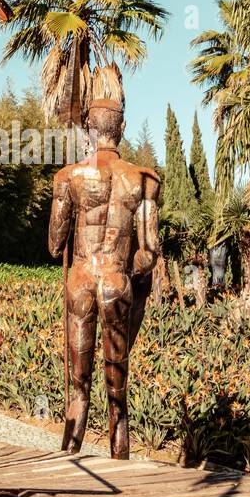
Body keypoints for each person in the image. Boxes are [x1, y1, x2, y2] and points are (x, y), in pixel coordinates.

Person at [48, 94, 160, 458]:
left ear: (88, 129)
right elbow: (149, 251)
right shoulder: (143, 179)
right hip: (116, 281)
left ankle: (70, 455)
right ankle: (119, 457)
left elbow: (54, 244)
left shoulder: (69, 176)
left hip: (80, 280)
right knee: (117, 389)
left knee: (78, 385)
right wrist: (127, 273)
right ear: (121, 128)